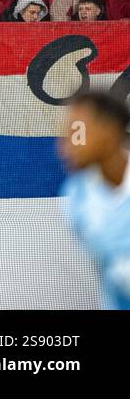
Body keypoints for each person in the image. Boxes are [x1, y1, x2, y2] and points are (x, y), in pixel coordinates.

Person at [59, 91, 130, 310]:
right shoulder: (76, 197)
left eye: (78, 133)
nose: (66, 147)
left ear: (110, 131)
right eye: (67, 135)